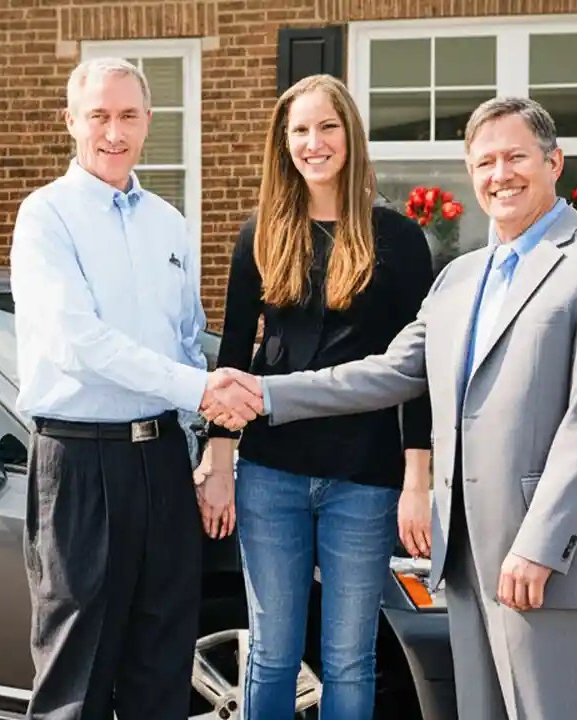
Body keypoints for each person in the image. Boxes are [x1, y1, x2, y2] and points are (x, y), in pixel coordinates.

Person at [214, 96, 577, 720]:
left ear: (554, 162)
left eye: (516, 157)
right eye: (485, 163)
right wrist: (266, 394)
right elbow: (391, 372)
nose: (500, 175)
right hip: (465, 556)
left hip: (539, 558)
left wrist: (540, 544)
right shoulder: (461, 277)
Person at [9, 57, 262, 720]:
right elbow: (79, 343)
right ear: (71, 121)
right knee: (77, 681)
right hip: (80, 462)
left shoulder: (168, 223)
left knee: (163, 669)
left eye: (127, 115)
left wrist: (207, 450)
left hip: (162, 463)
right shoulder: (46, 217)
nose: (114, 132)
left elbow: (185, 340)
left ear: (150, 121)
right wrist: (202, 388)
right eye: (98, 116)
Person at [193, 73, 434, 720]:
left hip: (365, 475)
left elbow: (420, 371)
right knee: (272, 651)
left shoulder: (399, 239)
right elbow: (235, 353)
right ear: (284, 143)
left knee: (350, 657)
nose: (313, 142)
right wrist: (220, 460)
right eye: (299, 130)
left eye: (327, 126)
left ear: (349, 135)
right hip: (271, 472)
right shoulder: (261, 235)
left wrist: (417, 480)